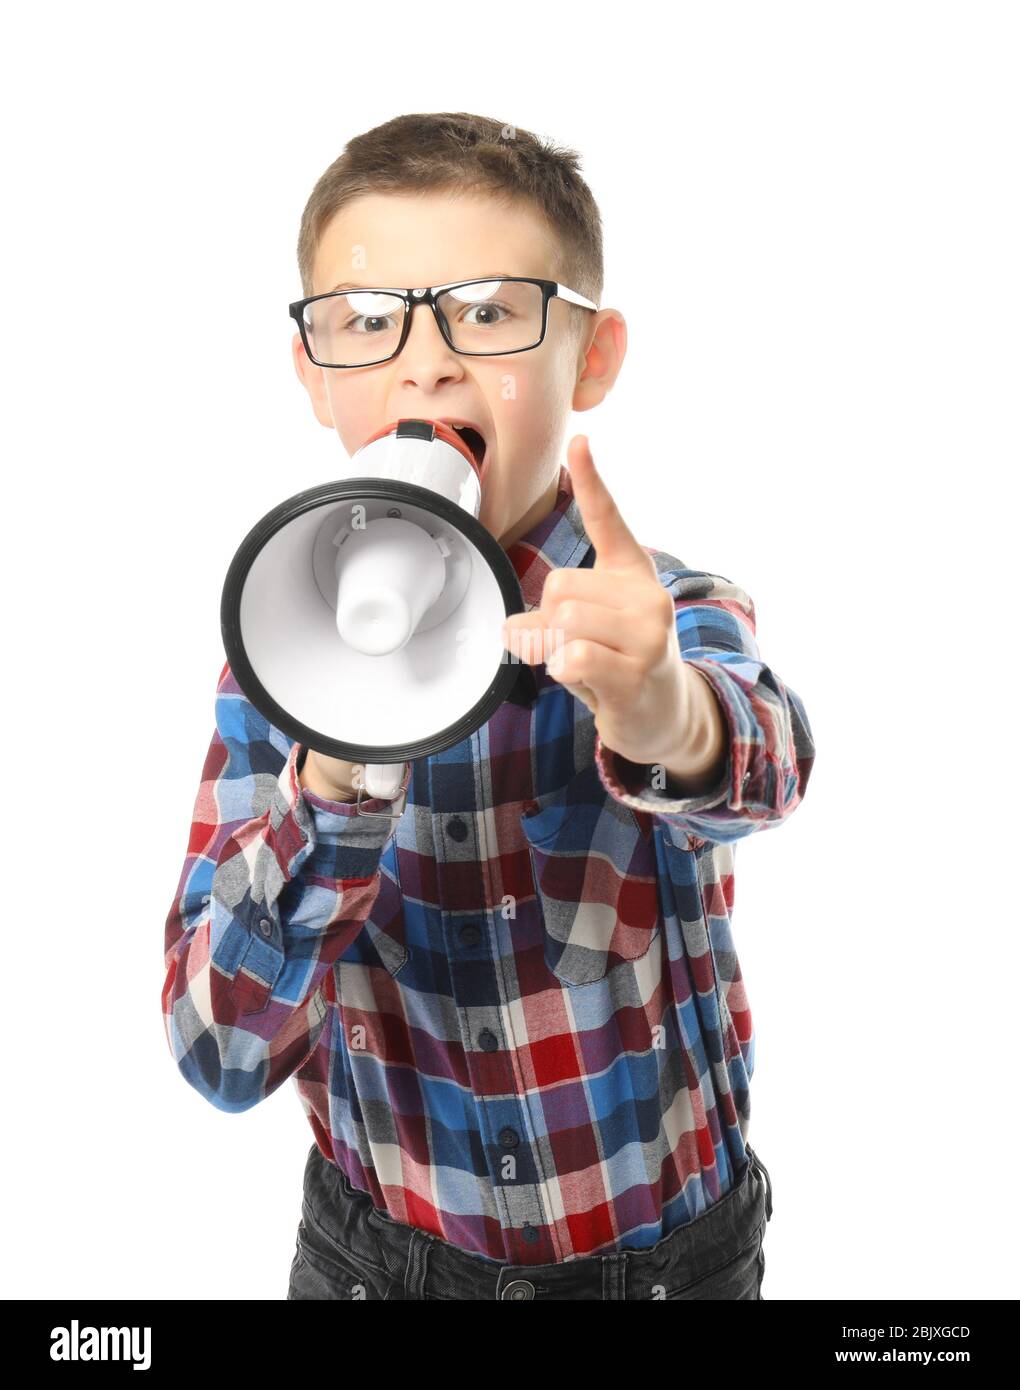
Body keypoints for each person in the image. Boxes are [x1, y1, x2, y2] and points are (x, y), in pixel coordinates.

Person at [162, 111, 812, 1301]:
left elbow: (766, 763)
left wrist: (664, 713)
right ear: (311, 375)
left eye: (492, 311)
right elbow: (221, 1052)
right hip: (376, 1266)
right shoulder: (274, 669)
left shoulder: (661, 612)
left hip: (667, 1268)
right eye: (365, 323)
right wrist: (329, 790)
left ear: (593, 359)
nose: (427, 363)